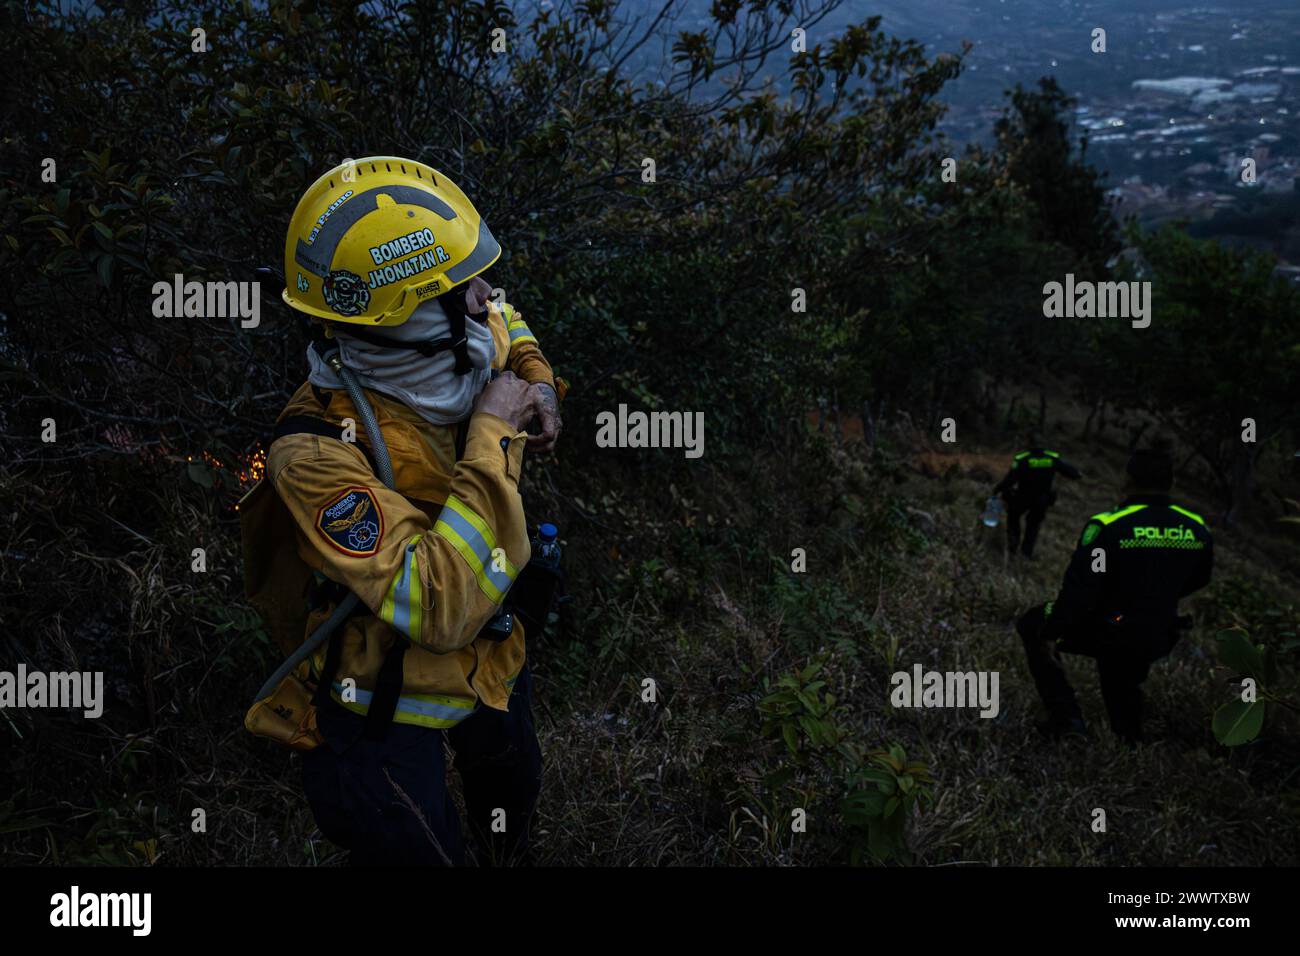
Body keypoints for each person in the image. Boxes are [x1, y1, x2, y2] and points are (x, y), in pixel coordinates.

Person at [241, 156, 562, 865]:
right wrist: (491, 433)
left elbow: (507, 321)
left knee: (512, 789)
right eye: (460, 287)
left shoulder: (451, 337)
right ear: (402, 316)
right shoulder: (317, 455)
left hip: (490, 664)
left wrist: (538, 384)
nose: (486, 296)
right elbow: (437, 606)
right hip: (378, 706)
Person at [1017, 443, 1213, 744]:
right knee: (1122, 681)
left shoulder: (1109, 525)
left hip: (1112, 627)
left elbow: (1081, 590)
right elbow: (1200, 578)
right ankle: (1129, 740)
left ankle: (1067, 721)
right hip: (1161, 630)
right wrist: (1156, 597)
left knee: (1033, 622)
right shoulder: (1196, 527)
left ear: (1128, 481)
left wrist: (1052, 631)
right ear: (1171, 483)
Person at [992, 435, 1082, 558]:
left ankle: (1012, 548)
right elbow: (1073, 473)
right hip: (1042, 499)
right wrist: (1077, 474)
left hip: (1022, 496)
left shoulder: (1022, 458)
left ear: (1029, 444)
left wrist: (998, 489)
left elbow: (1010, 480)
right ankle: (1026, 553)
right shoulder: (1052, 458)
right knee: (1033, 526)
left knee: (1013, 518)